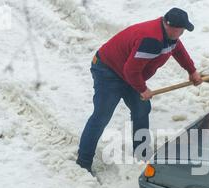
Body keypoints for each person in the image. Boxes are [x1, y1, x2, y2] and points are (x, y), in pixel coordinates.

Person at [77, 7, 202, 173]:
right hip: (108, 70)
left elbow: (177, 49)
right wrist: (142, 89)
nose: (182, 33)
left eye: (183, 30)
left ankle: (141, 153)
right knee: (102, 115)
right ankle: (83, 162)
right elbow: (131, 71)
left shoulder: (170, 36)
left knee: (141, 109)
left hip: (127, 72)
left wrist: (191, 71)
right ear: (168, 25)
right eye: (180, 30)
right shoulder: (152, 40)